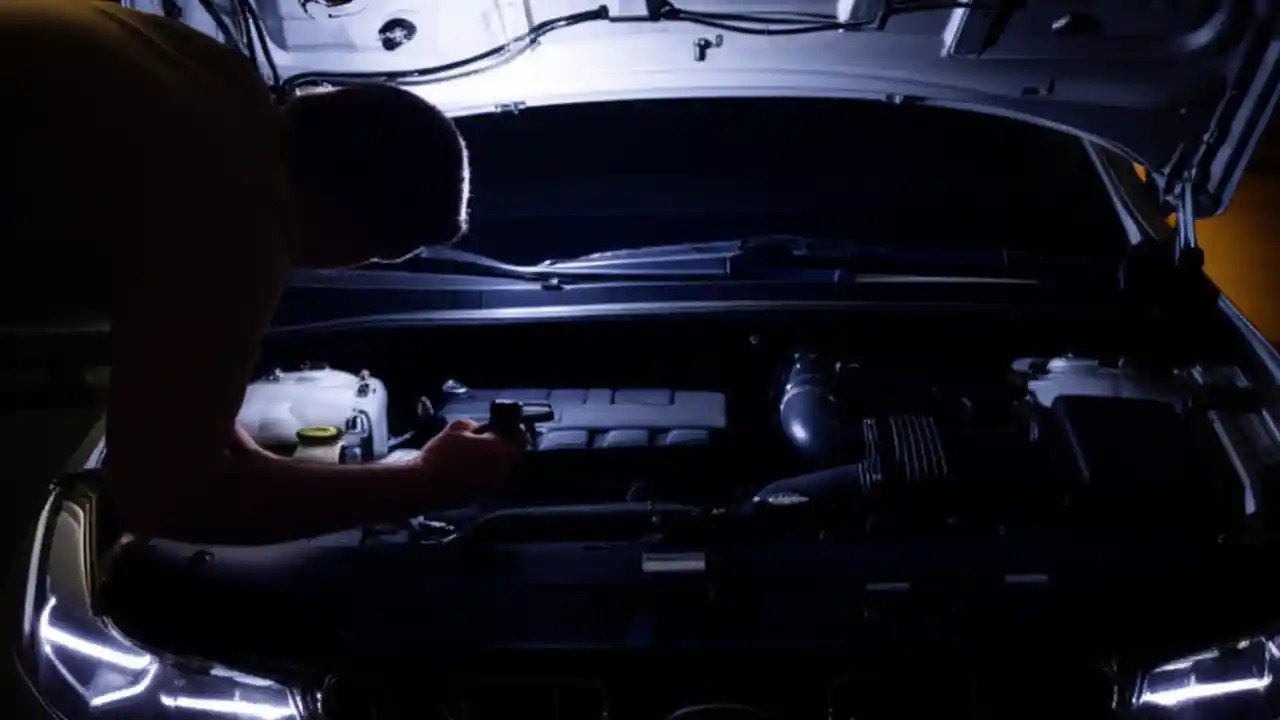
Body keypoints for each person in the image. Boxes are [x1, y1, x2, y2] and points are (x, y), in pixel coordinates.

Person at [0, 0, 521, 543]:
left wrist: (220, 434)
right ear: (348, 215)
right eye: (373, 253)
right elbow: (165, 500)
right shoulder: (238, 212)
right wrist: (426, 479)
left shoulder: (216, 83)